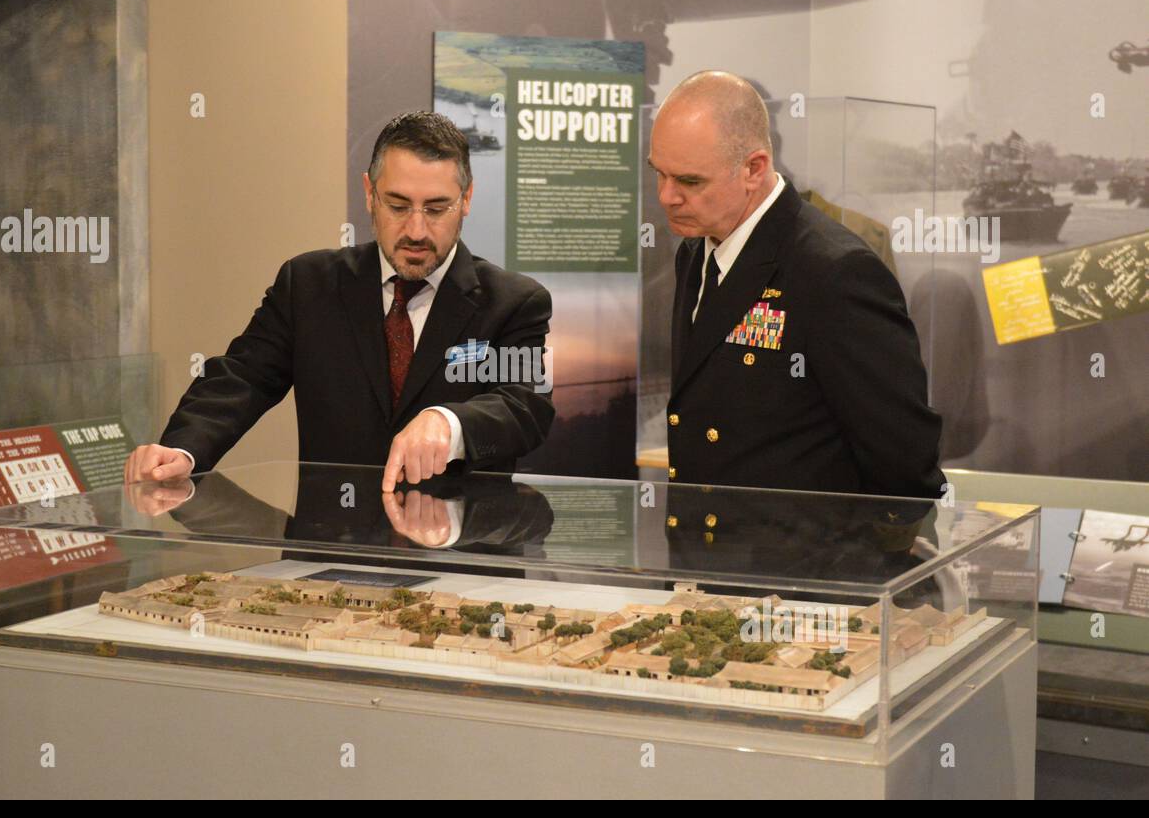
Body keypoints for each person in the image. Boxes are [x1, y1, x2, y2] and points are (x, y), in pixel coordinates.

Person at [125, 111, 555, 493]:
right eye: (398, 205)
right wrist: (183, 449)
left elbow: (524, 406)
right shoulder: (309, 285)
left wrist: (450, 422)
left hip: (462, 562)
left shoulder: (514, 302)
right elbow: (244, 377)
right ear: (369, 193)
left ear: (466, 200)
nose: (417, 230)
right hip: (330, 557)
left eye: (437, 208)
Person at [649, 71, 945, 498]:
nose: (666, 196)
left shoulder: (834, 272)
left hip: (801, 556)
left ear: (754, 168)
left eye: (690, 181)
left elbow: (903, 460)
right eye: (659, 173)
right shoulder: (697, 251)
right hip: (709, 552)